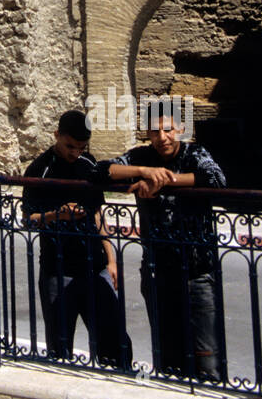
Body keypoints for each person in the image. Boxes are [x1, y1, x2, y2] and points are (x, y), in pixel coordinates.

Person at [96, 110, 226, 382]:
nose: (162, 137)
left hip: (198, 271)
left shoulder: (194, 154)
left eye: (167, 130)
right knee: (169, 358)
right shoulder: (141, 157)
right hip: (159, 272)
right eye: (155, 132)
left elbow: (215, 179)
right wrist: (144, 172)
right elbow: (101, 171)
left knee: (208, 360)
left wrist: (163, 182)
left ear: (180, 129)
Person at [22, 110, 132, 369]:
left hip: (95, 267)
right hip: (57, 271)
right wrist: (57, 215)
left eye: (81, 147)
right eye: (70, 146)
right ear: (57, 135)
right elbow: (28, 219)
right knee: (60, 348)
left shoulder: (88, 164)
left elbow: (97, 214)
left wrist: (112, 259)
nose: (75, 153)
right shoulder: (40, 169)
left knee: (115, 343)